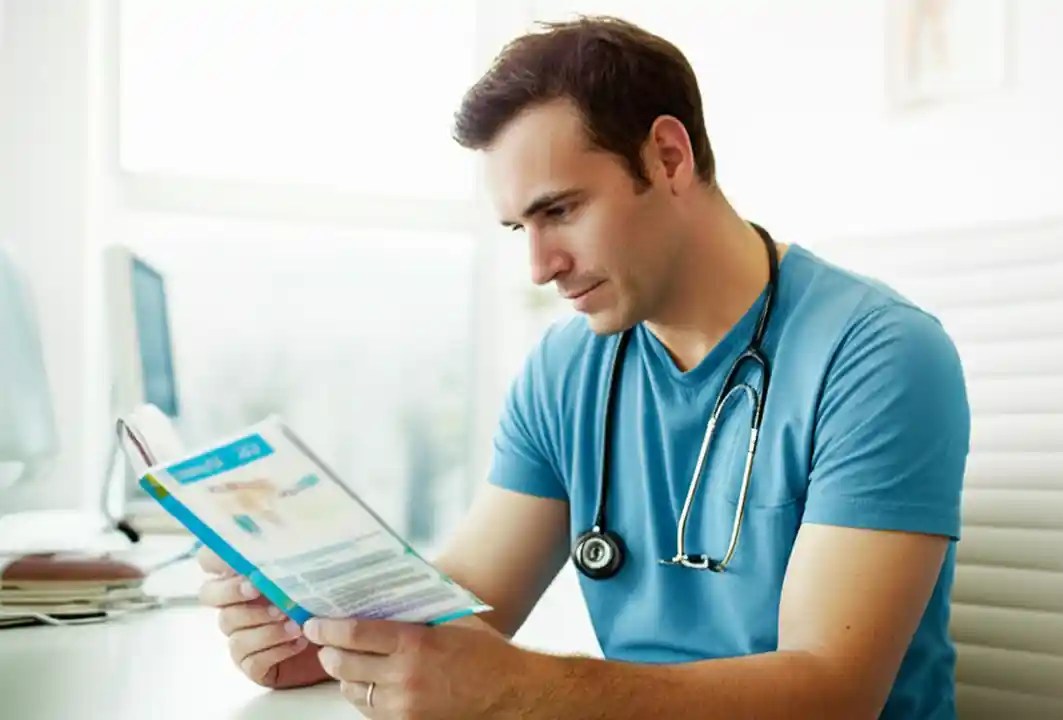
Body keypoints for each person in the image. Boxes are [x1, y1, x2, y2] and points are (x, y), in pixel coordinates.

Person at [196, 15, 970, 719]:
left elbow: (833, 694)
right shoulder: (567, 368)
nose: (540, 267)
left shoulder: (878, 356)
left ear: (668, 157)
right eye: (519, 228)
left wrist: (518, 688)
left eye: (561, 210)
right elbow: (465, 607)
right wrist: (328, 641)